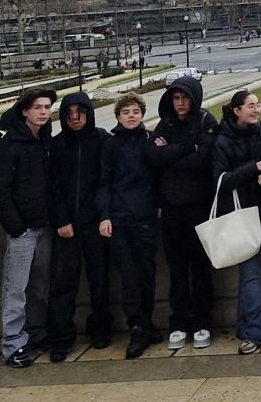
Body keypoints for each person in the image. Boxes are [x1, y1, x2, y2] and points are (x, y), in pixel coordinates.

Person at [0, 86, 57, 368]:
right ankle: (13, 343)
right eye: (38, 107)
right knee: (15, 288)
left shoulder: (45, 141)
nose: (43, 112)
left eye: (47, 107)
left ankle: (36, 332)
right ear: (25, 110)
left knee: (39, 285)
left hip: (45, 226)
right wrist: (16, 227)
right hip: (23, 230)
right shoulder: (9, 145)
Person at [150, 75, 216, 350]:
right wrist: (188, 149)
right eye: (176, 98)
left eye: (185, 98)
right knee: (177, 270)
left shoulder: (206, 121)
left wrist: (172, 154)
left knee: (200, 268)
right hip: (171, 209)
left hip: (198, 206)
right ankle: (178, 323)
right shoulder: (163, 123)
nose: (180, 103)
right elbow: (153, 157)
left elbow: (202, 161)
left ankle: (202, 322)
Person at [211, 88, 261, 353]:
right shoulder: (221, 141)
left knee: (249, 271)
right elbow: (220, 181)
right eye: (251, 105)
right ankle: (255, 332)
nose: (257, 109)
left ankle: (247, 327)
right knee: (250, 271)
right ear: (237, 111)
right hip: (236, 213)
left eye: (257, 104)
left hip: (258, 210)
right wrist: (254, 168)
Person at [48, 92, 113, 359]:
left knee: (100, 280)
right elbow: (52, 186)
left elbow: (106, 180)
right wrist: (62, 219)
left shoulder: (102, 140)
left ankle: (100, 329)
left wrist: (103, 215)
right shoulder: (56, 145)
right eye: (70, 114)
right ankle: (62, 336)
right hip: (66, 226)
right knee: (63, 283)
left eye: (81, 112)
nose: (75, 118)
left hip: (95, 223)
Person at [99, 92, 160, 358]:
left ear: (142, 114)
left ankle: (146, 323)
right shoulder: (111, 146)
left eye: (135, 111)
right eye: (126, 112)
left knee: (147, 275)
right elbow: (103, 182)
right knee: (129, 279)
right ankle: (137, 326)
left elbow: (158, 177)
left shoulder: (151, 141)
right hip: (120, 220)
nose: (131, 116)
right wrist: (104, 216)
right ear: (119, 117)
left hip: (146, 217)